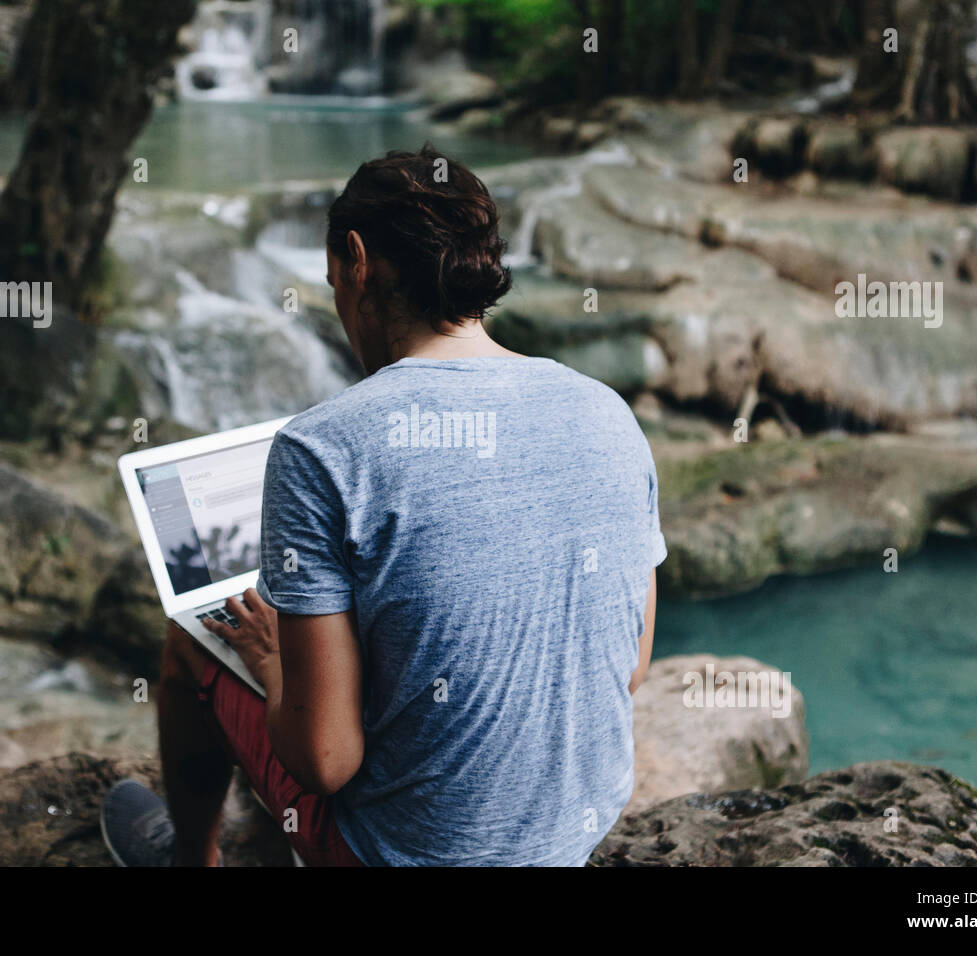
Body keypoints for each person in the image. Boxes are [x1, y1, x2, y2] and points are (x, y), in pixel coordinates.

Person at [102, 145, 665, 866]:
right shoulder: (607, 411)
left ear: (357, 262)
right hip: (570, 836)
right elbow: (633, 664)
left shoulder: (322, 448)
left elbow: (325, 761)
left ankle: (193, 860)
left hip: (395, 855)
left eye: (334, 277)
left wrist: (277, 667)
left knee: (192, 640)